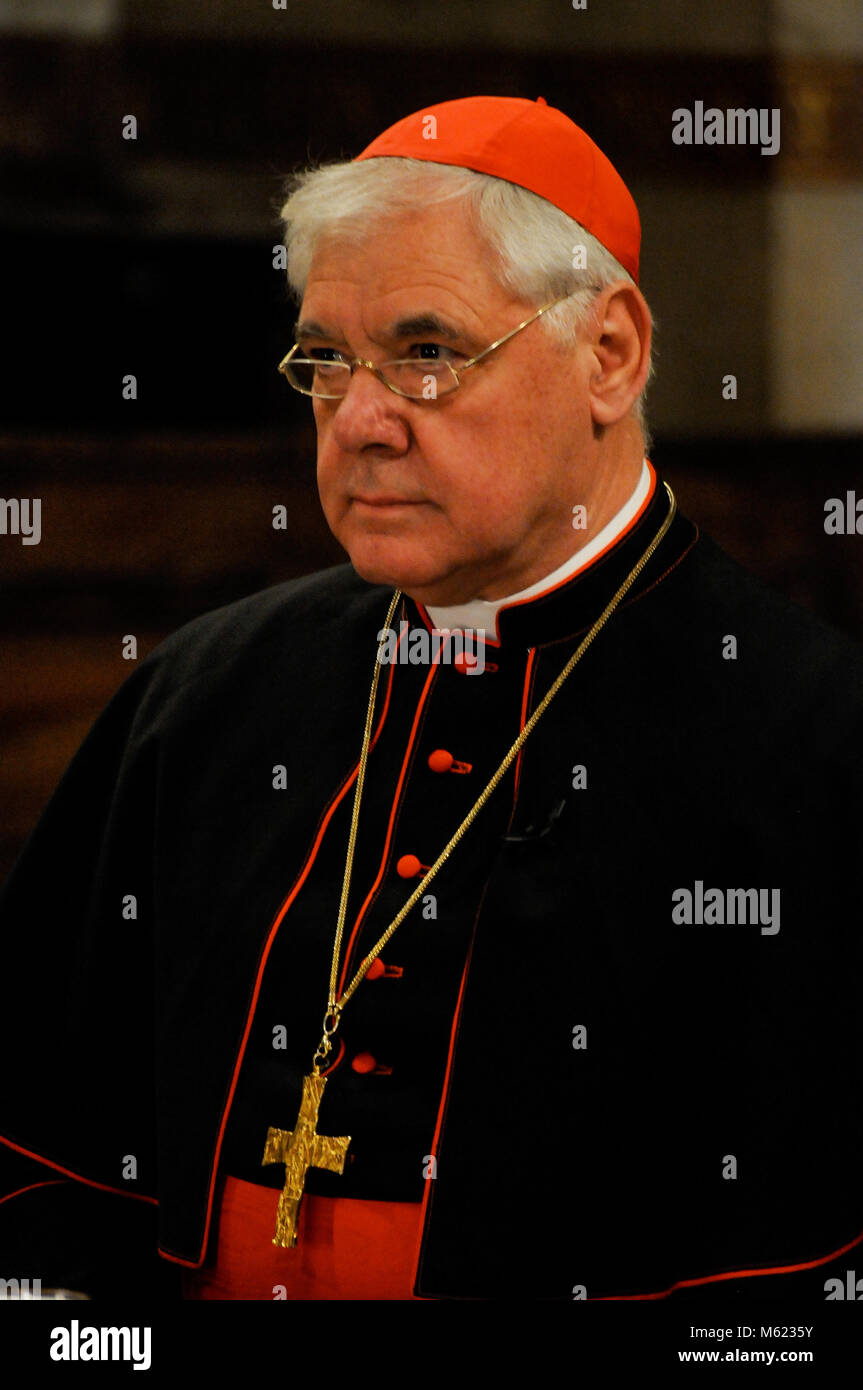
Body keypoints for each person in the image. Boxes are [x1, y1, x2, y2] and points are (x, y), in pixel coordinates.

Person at [1, 95, 861, 1303]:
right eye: (323, 360)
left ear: (608, 353)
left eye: (426, 353)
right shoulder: (201, 699)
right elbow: (47, 1153)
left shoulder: (812, 740)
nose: (359, 422)